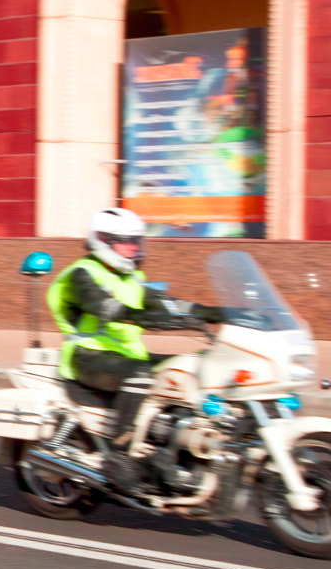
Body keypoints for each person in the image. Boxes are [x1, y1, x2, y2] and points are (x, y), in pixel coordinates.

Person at [47, 207, 221, 489]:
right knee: (140, 374)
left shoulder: (131, 279)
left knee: (189, 368)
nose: (133, 249)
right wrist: (147, 317)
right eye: (125, 243)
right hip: (88, 357)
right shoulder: (81, 274)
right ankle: (119, 454)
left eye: (136, 243)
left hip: (126, 355)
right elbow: (106, 307)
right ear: (102, 241)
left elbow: (170, 304)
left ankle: (179, 450)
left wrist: (219, 313)